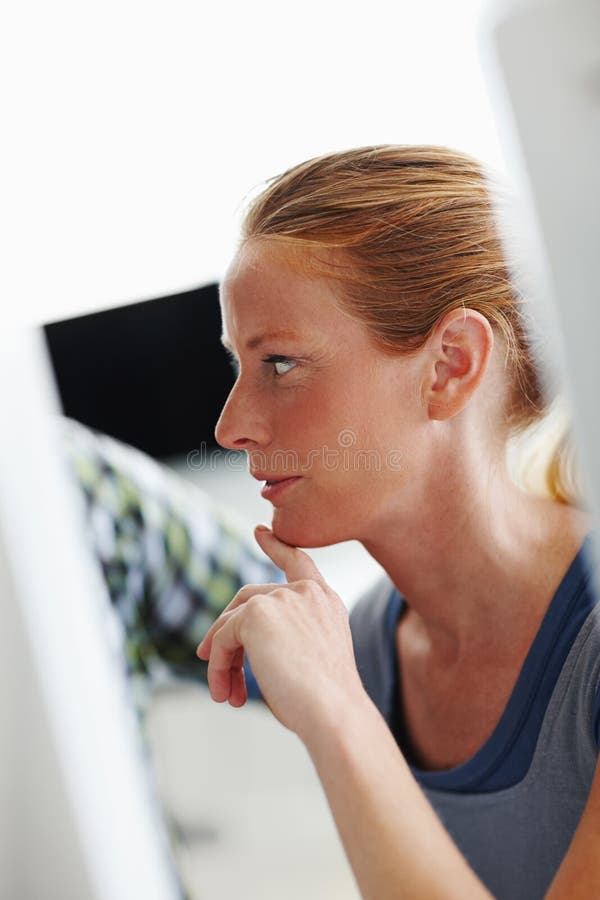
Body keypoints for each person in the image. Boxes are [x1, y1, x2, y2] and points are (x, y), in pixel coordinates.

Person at [194, 145, 600, 900]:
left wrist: (337, 713)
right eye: (237, 367)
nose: (231, 425)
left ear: (450, 365)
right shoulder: (375, 642)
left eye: (279, 363)